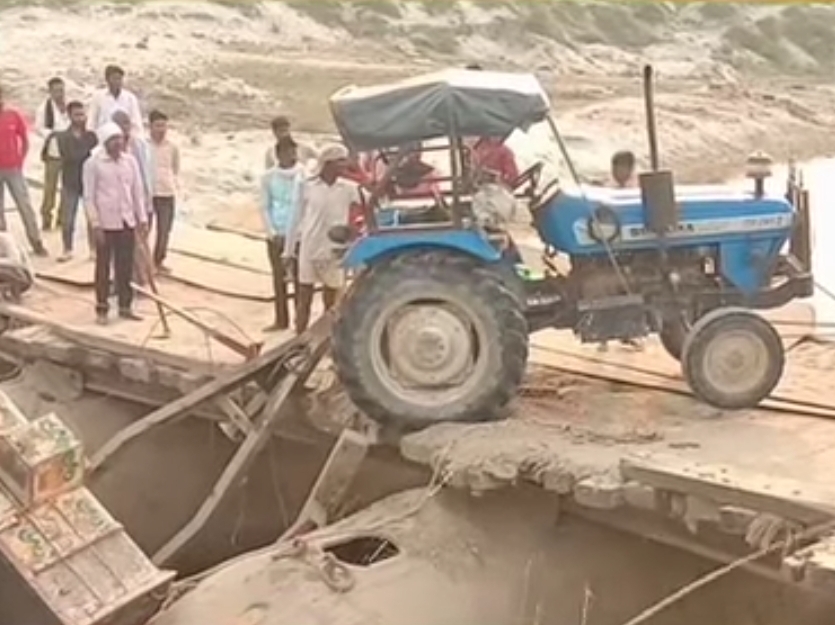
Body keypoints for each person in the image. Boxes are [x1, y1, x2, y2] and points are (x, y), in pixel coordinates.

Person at [285, 144, 360, 335]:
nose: (345, 165)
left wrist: (356, 231)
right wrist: (288, 250)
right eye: (340, 161)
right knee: (304, 298)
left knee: (331, 300)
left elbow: (374, 203)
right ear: (328, 163)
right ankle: (298, 340)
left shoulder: (349, 189)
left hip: (334, 250)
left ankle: (328, 343)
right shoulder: (306, 186)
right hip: (309, 248)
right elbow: (295, 219)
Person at [83, 122, 147, 325]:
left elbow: (137, 192)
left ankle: (125, 307)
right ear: (105, 143)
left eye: (120, 139)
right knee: (103, 268)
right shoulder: (93, 164)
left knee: (125, 267)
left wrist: (142, 218)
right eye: (114, 140)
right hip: (105, 223)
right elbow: (89, 197)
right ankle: (102, 308)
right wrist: (95, 224)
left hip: (126, 221)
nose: (119, 143)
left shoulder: (130, 162)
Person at [260, 136, 304, 332]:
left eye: (293, 151)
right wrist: (271, 232)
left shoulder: (304, 175)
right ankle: (281, 320)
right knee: (279, 279)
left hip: (299, 234)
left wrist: (299, 232)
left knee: (300, 279)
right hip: (277, 232)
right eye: (287, 152)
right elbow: (264, 206)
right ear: (278, 155)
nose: (291, 155)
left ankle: (299, 321)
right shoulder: (268, 177)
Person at [0, 84, 48, 256]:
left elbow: (25, 139)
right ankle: (3, 248)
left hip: (13, 168)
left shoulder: (13, 115)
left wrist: (21, 159)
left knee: (25, 205)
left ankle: (36, 242)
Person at [56, 101, 97, 262]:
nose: (81, 118)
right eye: (77, 115)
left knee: (92, 218)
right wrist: (86, 152)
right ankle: (67, 249)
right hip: (70, 181)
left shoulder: (91, 136)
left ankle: (93, 249)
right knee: (68, 218)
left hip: (89, 182)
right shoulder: (63, 137)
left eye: (82, 114)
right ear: (70, 117)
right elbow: (70, 156)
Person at [35, 77, 70, 230]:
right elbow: (38, 128)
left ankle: (62, 217)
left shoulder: (69, 106)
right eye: (56, 91)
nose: (59, 94)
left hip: (69, 153)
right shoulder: (44, 108)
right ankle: (46, 217)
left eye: (61, 90)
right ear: (50, 92)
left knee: (67, 187)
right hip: (53, 153)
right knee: (50, 188)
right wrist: (53, 134)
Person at [148, 109, 180, 273]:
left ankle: (159, 260)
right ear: (150, 126)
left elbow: (175, 169)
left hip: (167, 192)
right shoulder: (143, 145)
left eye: (164, 126)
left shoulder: (172, 147)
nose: (161, 129)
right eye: (158, 125)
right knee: (144, 230)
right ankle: (143, 263)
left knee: (165, 229)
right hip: (147, 193)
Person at [88, 65, 143, 134]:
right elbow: (92, 120)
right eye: (114, 78)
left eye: (119, 79)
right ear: (107, 79)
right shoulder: (98, 97)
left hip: (124, 137)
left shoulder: (130, 98)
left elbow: (136, 122)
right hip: (103, 136)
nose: (117, 82)